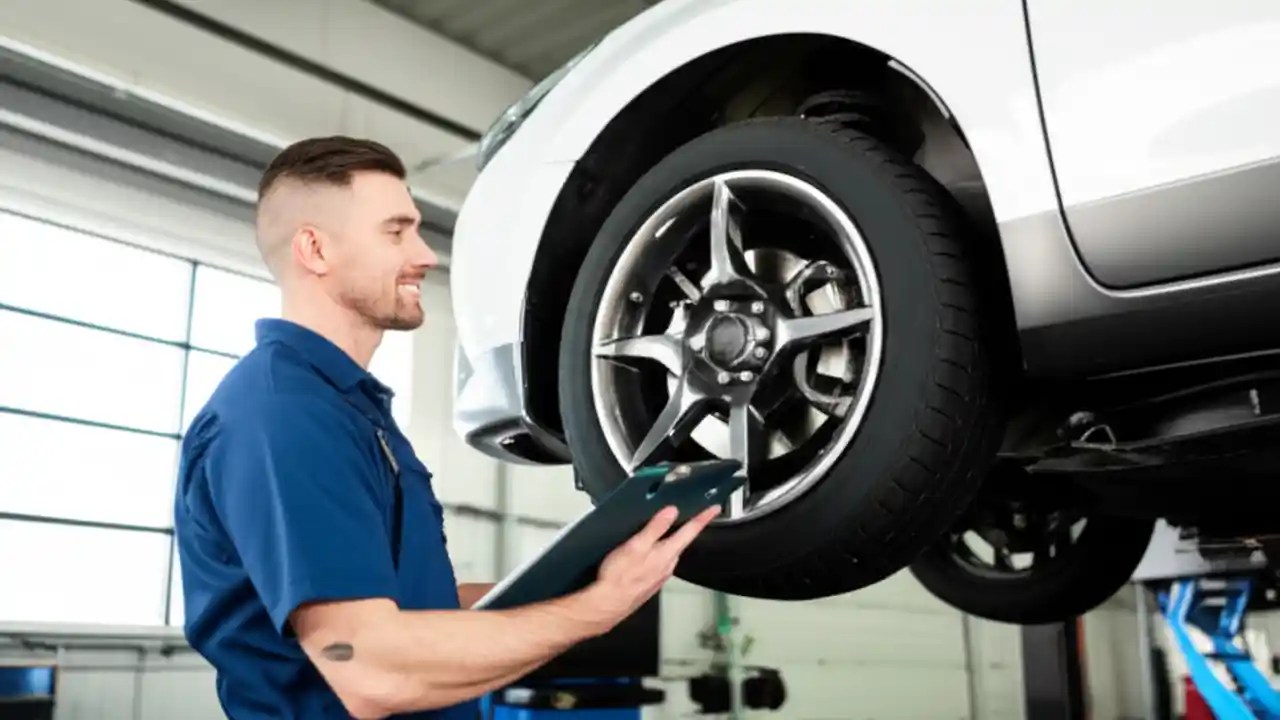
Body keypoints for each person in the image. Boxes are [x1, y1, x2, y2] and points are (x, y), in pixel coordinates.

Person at [172, 136, 720, 720]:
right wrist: (597, 610)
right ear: (315, 249)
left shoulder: (348, 408)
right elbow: (366, 665)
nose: (425, 255)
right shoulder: (282, 415)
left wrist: (576, 582)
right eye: (396, 231)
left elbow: (407, 612)